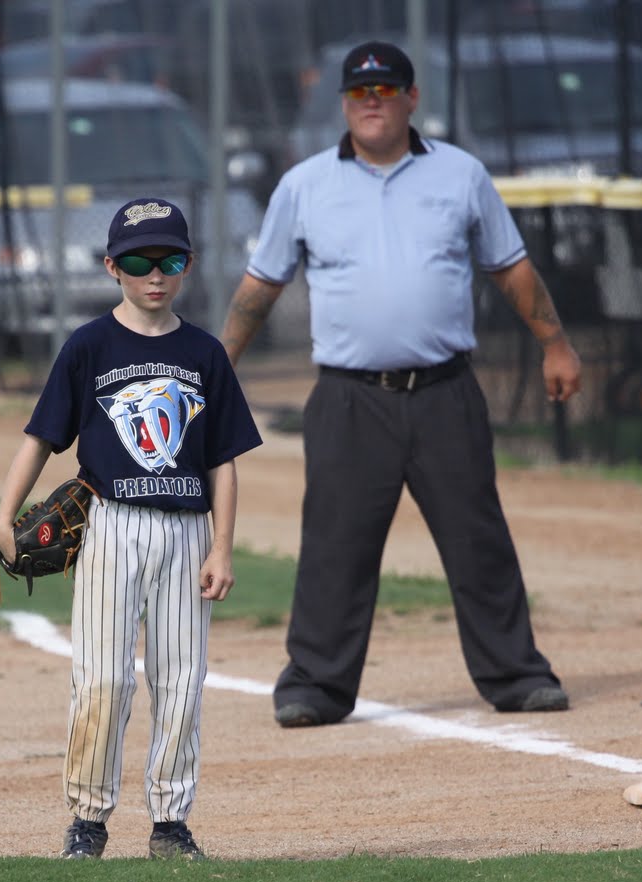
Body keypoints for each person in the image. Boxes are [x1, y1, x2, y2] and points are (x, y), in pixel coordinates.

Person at [217, 40, 583, 728]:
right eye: (359, 93)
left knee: (478, 539)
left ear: (413, 99)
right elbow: (261, 284)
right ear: (344, 105)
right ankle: (316, 684)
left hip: (446, 390)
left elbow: (511, 267)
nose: (372, 103)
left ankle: (515, 673)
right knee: (335, 543)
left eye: (386, 91)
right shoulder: (305, 185)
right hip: (351, 397)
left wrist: (555, 344)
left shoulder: (461, 175)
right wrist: (219, 363)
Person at [0, 196, 263, 859]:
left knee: (180, 676)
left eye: (170, 259)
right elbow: (41, 438)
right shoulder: (88, 346)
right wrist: (5, 512)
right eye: (141, 260)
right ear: (113, 265)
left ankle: (171, 821)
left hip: (186, 531)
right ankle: (88, 819)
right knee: (104, 677)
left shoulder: (205, 353)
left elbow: (224, 461)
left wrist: (222, 547)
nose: (156, 274)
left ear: (188, 265)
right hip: (110, 524)